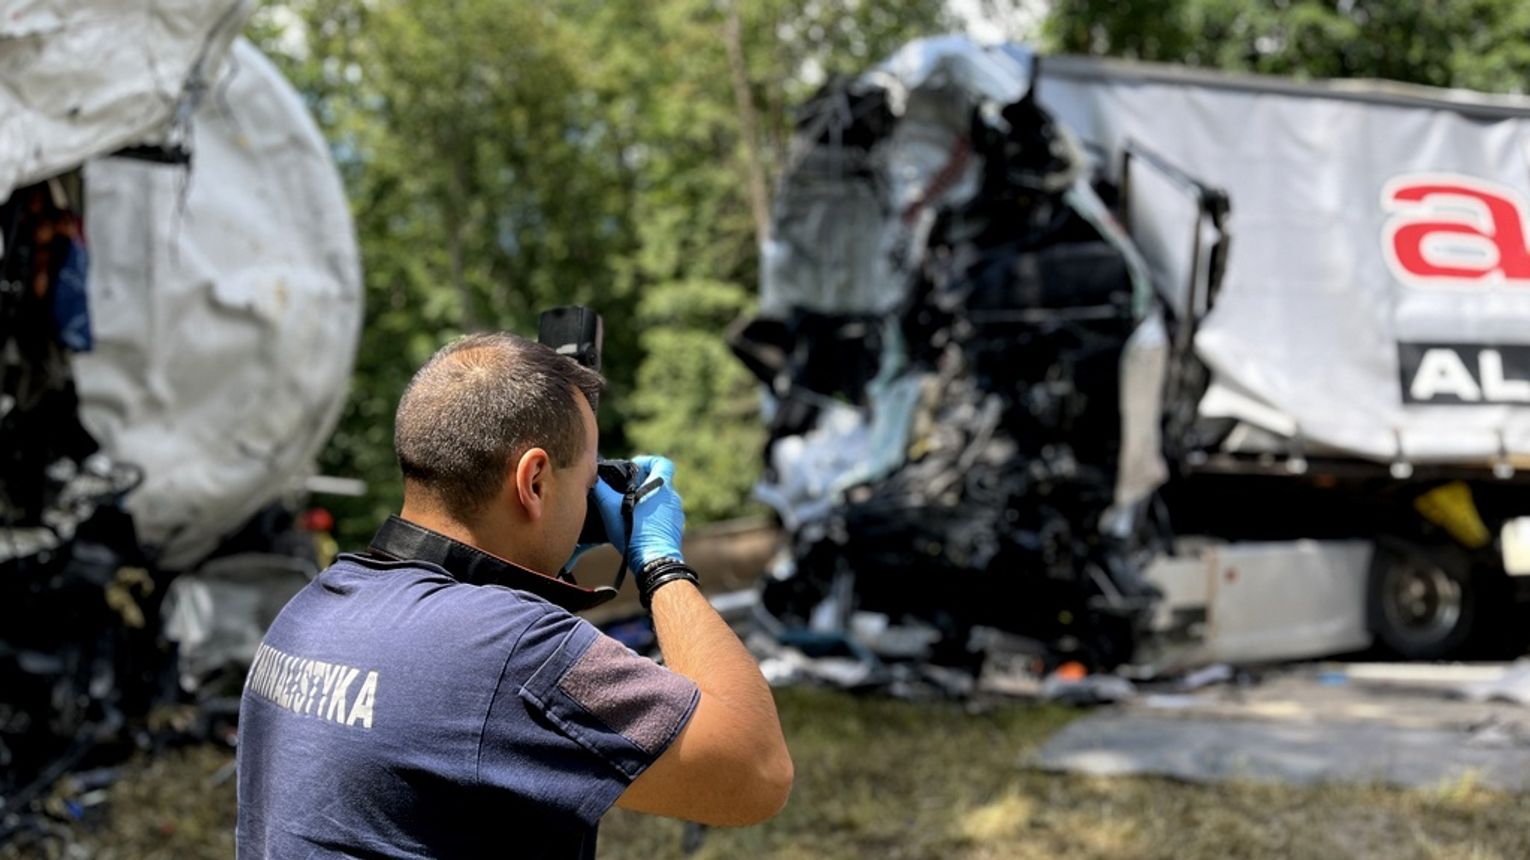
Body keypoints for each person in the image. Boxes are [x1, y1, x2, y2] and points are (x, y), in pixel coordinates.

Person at [235, 332, 793, 859]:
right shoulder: (512, 648)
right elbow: (756, 772)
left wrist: (541, 557)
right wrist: (660, 565)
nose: (589, 503)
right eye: (586, 485)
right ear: (534, 482)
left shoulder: (311, 609)